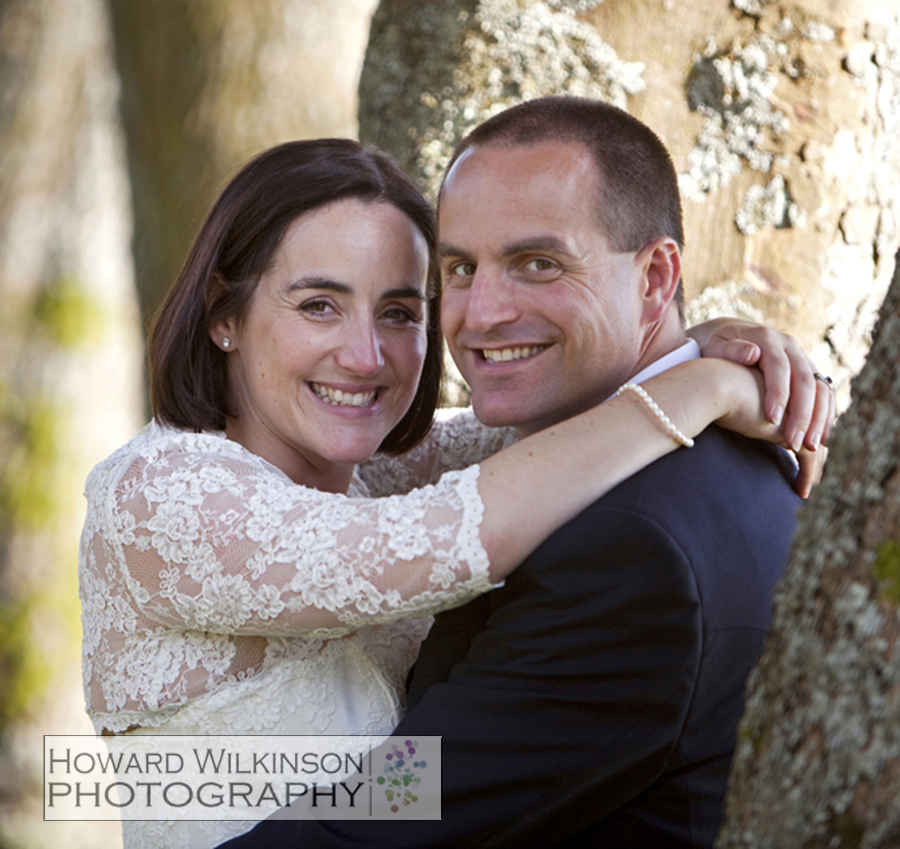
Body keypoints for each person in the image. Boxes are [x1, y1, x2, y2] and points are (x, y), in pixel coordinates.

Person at [79, 138, 825, 849]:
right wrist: (701, 385)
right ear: (223, 315)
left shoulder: (389, 469)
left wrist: (701, 346)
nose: (366, 356)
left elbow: (569, 422)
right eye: (318, 305)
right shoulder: (156, 495)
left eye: (400, 311)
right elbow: (428, 541)